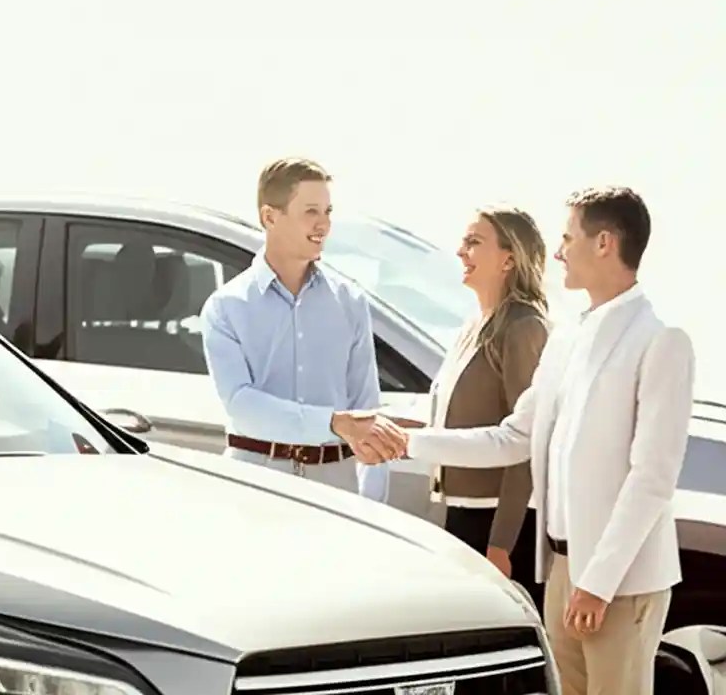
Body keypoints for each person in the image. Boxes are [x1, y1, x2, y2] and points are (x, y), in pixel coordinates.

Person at [396, 186, 694, 695]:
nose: (557, 252)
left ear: (604, 243)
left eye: (567, 237)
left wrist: (597, 585)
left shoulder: (661, 342)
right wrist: (409, 444)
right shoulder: (567, 339)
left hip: (618, 583)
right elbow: (513, 437)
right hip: (561, 571)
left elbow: (652, 480)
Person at [200, 157, 405, 499]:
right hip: (254, 492)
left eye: (328, 212)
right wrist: (333, 422)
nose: (323, 225)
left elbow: (367, 411)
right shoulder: (226, 308)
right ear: (269, 217)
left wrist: (372, 508)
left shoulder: (350, 301)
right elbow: (242, 407)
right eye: (311, 211)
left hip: (335, 491)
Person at [428, 205, 549, 611]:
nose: (461, 251)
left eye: (473, 242)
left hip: (497, 522)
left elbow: (526, 443)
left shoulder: (523, 327)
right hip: (463, 515)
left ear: (509, 258)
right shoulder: (475, 324)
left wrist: (502, 543)